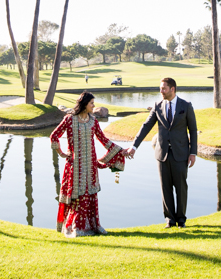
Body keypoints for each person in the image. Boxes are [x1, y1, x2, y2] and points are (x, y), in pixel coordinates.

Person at [50, 91, 124, 237]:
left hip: (90, 165)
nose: (93, 106)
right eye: (91, 103)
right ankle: (76, 227)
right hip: (74, 166)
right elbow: (54, 136)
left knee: (90, 194)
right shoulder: (69, 119)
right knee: (77, 195)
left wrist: (121, 151)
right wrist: (61, 153)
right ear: (84, 104)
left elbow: (104, 140)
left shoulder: (93, 121)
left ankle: (94, 226)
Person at [128, 77, 197, 228]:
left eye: (164, 89)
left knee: (181, 188)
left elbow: (193, 130)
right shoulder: (157, 106)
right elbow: (146, 126)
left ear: (172, 89)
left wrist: (193, 153)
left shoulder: (186, 106)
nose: (161, 91)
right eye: (160, 89)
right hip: (162, 154)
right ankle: (169, 220)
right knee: (165, 188)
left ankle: (181, 220)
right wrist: (134, 146)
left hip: (181, 154)